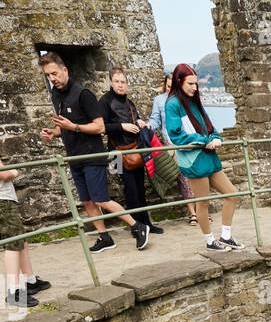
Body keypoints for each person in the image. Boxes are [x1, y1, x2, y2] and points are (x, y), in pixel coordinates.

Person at [37, 53, 149, 253]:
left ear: (65, 70)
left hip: (92, 156)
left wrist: (74, 127)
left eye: (54, 73)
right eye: (48, 75)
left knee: (100, 199)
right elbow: (66, 127)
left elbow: (99, 128)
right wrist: (54, 133)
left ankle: (138, 226)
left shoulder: (83, 94)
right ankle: (104, 237)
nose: (52, 78)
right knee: (87, 201)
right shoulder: (55, 94)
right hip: (74, 156)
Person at [164, 64, 242, 250]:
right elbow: (176, 135)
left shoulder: (193, 100)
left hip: (208, 157)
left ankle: (225, 236)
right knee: (203, 202)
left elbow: (210, 126)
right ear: (179, 81)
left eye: (196, 84)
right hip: (193, 160)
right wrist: (204, 140)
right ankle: (209, 241)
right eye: (190, 83)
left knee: (232, 195)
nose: (194, 88)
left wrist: (214, 137)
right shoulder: (173, 104)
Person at [0, 134, 51, 309]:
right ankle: (14, 291)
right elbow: (3, 174)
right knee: (13, 241)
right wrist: (15, 171)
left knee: (20, 238)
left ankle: (30, 281)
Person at [100, 67, 164, 237]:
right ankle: (137, 227)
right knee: (129, 189)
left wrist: (141, 122)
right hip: (115, 153)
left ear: (127, 84)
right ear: (111, 83)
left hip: (134, 149)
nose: (120, 85)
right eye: (117, 82)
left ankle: (147, 224)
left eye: (123, 82)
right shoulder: (104, 101)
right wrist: (121, 126)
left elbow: (135, 118)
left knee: (140, 188)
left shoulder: (129, 103)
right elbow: (101, 127)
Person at [149, 72, 197, 224]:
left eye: (173, 86)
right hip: (172, 144)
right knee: (183, 178)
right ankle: (193, 213)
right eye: (168, 86)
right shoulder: (159, 100)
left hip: (190, 142)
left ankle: (202, 210)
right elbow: (155, 120)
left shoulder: (185, 99)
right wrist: (147, 125)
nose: (170, 90)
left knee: (197, 176)